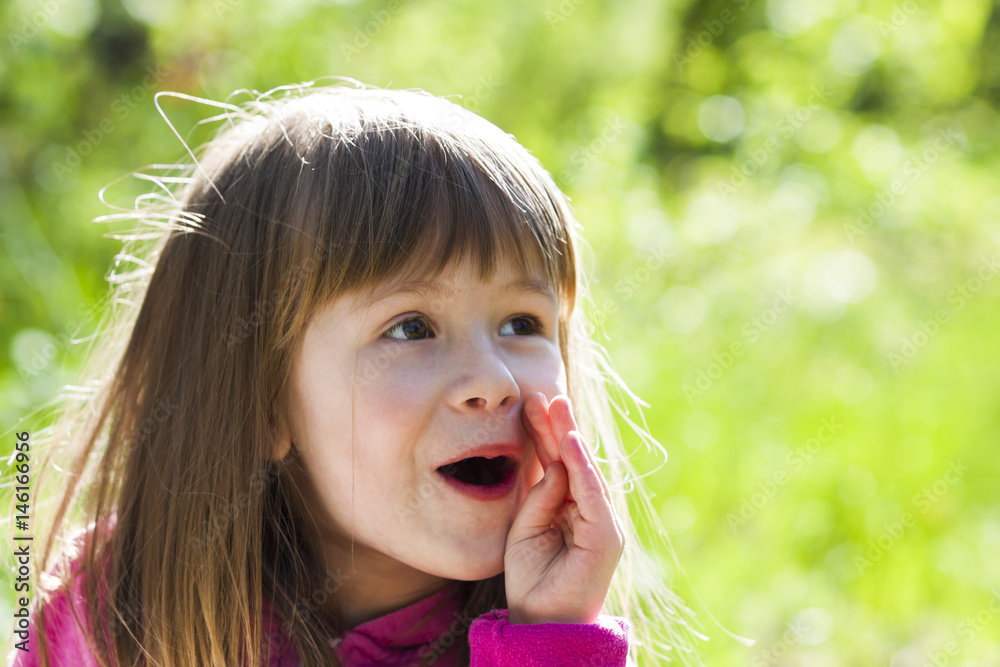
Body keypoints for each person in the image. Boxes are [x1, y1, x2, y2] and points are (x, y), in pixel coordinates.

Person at [7, 81, 718, 666]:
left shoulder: (553, 632)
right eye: (411, 328)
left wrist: (550, 637)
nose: (495, 378)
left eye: (522, 323)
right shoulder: (109, 619)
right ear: (260, 404)